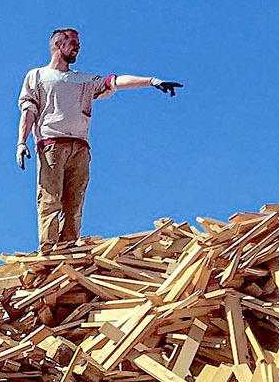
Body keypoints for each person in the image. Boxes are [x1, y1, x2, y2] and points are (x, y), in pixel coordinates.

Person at [16, 29, 181, 250]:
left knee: (74, 204)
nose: (78, 47)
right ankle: (48, 250)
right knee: (50, 199)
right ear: (57, 44)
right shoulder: (37, 76)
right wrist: (21, 142)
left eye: (78, 43)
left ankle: (69, 250)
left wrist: (151, 81)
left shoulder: (84, 80)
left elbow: (115, 82)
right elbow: (29, 110)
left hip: (80, 148)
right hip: (52, 144)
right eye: (73, 42)